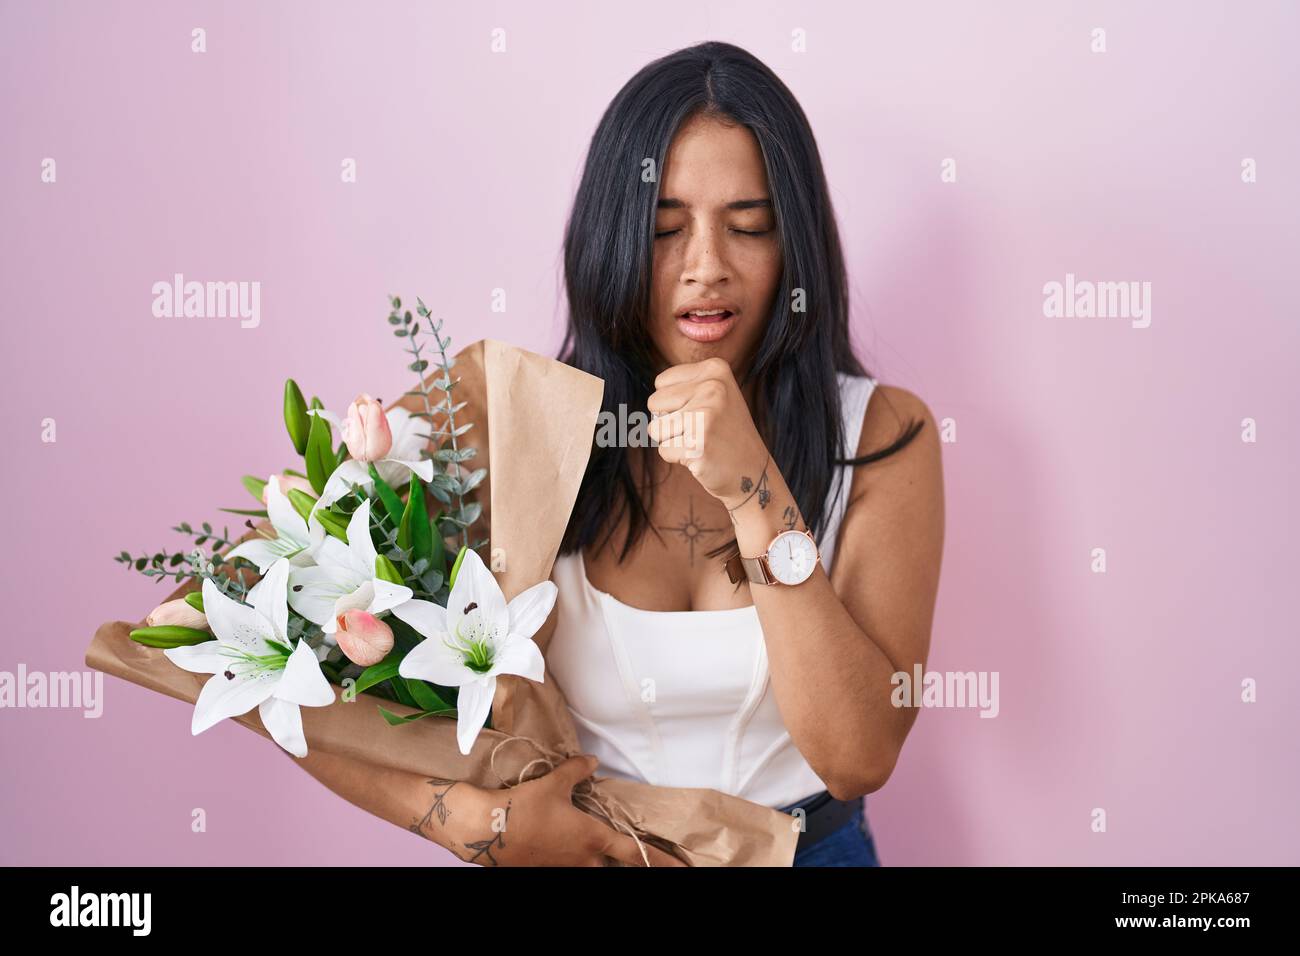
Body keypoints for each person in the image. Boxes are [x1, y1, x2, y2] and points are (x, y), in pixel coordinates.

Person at [296, 40, 943, 867]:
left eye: (748, 226)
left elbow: (860, 755)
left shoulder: (885, 434)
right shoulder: (514, 424)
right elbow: (252, 638)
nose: (706, 268)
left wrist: (755, 487)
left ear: (797, 247)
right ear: (609, 237)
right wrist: (463, 820)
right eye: (664, 229)